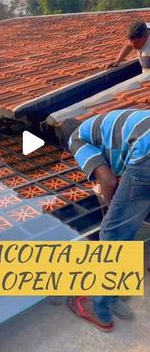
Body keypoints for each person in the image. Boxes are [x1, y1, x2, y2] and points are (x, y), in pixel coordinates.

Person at [50, 109, 150, 331]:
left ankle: (100, 309)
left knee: (112, 235)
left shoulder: (76, 138)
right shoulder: (100, 124)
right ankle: (117, 289)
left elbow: (108, 179)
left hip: (147, 154)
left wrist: (110, 208)